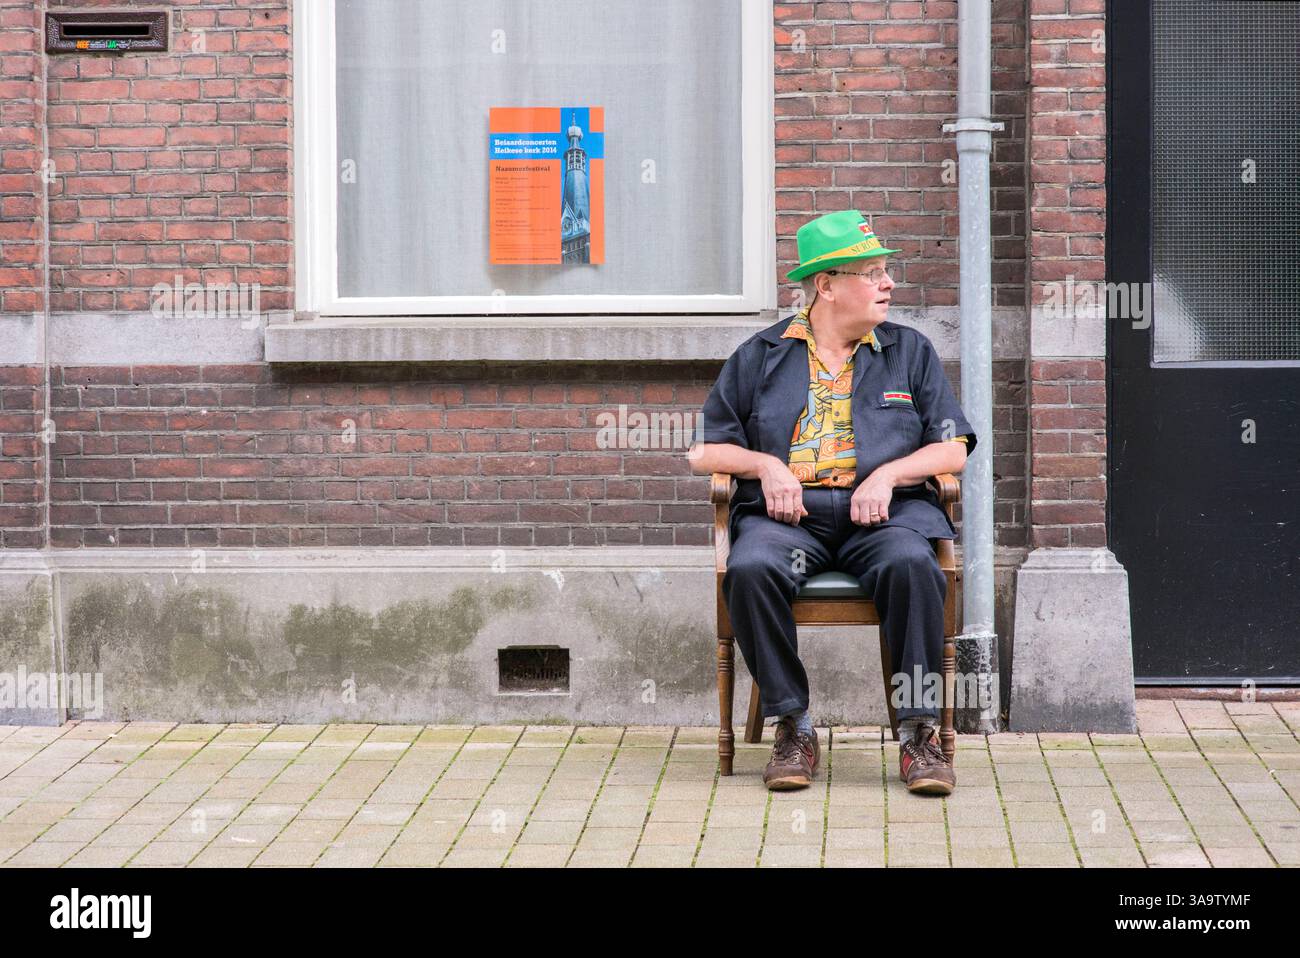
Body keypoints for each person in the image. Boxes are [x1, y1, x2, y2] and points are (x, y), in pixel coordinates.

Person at [690, 210, 976, 796]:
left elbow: (953, 450)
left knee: (912, 565)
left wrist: (889, 475)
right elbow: (704, 452)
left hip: (883, 518)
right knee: (748, 569)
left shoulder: (908, 352)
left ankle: (919, 734)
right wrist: (765, 465)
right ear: (826, 285)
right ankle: (793, 725)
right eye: (871, 273)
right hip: (789, 521)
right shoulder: (761, 355)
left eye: (885, 272)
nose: (888, 284)